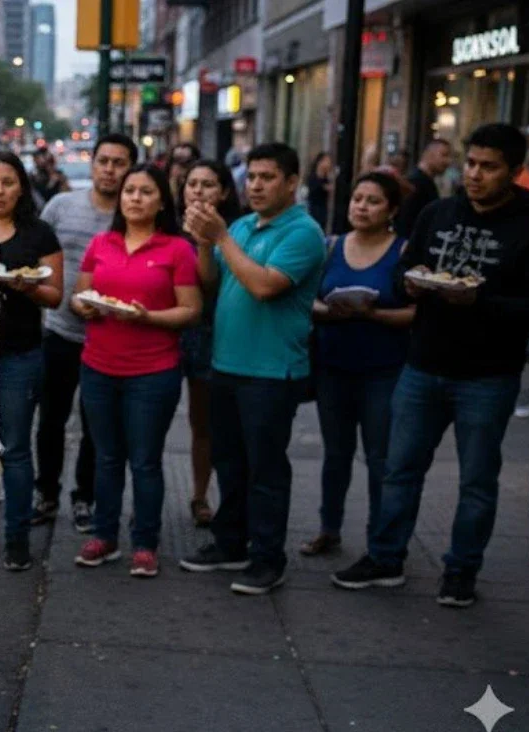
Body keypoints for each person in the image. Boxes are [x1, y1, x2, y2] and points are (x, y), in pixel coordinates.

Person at [332, 123, 529, 608]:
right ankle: (385, 557)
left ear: (514, 171)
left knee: (477, 480)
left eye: (488, 167)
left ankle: (461, 570)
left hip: (488, 373)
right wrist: (412, 285)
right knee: (399, 468)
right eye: (470, 164)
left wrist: (478, 300)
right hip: (423, 363)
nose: (475, 175)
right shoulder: (437, 212)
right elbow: (406, 269)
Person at [180, 142, 327, 595]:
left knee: (265, 468)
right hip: (226, 362)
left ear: (291, 182)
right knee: (230, 461)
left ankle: (267, 557)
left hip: (272, 371)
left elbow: (265, 286)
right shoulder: (242, 224)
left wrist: (220, 237)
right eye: (253, 177)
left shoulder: (303, 232)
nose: (256, 185)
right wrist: (205, 244)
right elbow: (211, 283)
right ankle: (231, 543)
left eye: (267, 177)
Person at [71, 165, 201, 576]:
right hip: (98, 366)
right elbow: (79, 295)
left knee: (145, 460)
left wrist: (149, 318)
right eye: (130, 191)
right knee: (107, 457)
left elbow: (191, 310)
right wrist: (86, 306)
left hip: (153, 371)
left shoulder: (177, 249)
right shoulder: (102, 242)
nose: (135, 198)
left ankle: (145, 542)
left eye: (146, 192)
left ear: (162, 201)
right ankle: (104, 536)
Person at [300, 171, 415, 557]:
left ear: (392, 210)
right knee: (336, 453)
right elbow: (307, 301)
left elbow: (417, 312)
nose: (362, 207)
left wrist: (373, 314)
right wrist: (329, 311)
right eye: (357, 199)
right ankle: (328, 528)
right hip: (334, 365)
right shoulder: (331, 246)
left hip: (384, 369)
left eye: (373, 201)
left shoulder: (402, 251)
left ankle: (379, 540)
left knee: (381, 457)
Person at [32, 133, 138, 534]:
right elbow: (37, 256)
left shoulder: (133, 215)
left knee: (97, 426)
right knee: (51, 420)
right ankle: (46, 492)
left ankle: (84, 498)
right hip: (59, 330)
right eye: (104, 161)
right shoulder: (62, 206)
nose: (110, 169)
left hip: (109, 338)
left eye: (119, 162)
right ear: (92, 164)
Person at [0, 152, 64, 571]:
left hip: (20, 355)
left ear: (22, 188)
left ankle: (17, 540)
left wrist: (24, 285)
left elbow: (55, 295)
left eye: (7, 182)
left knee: (13, 449)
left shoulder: (39, 234)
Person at [178, 160, 243, 527]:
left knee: (211, 423)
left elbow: (210, 284)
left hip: (215, 333)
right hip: (172, 332)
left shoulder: (234, 232)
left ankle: (203, 496)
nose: (199, 191)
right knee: (191, 420)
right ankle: (189, 494)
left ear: (224, 192)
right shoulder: (170, 230)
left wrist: (207, 241)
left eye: (208, 184)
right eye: (192, 183)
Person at [394, 139, 451, 237]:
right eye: (444, 155)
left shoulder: (425, 182)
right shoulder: (415, 183)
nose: (448, 161)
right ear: (428, 154)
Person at [306, 152, 333, 231]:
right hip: (314, 209)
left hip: (323, 209)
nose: (329, 164)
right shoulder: (313, 177)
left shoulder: (326, 177)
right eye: (326, 161)